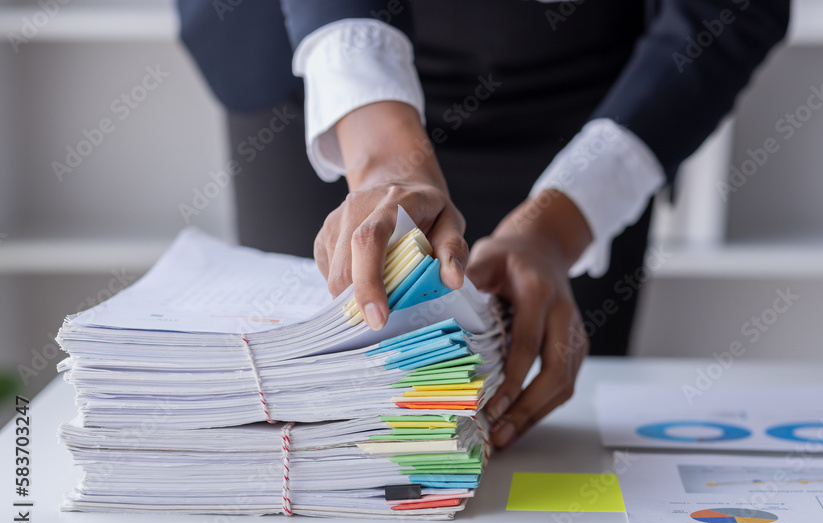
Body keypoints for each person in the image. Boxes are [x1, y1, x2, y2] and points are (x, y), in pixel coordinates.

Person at [178, 0, 790, 448]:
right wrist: (380, 154)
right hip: (314, 59)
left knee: (530, 436)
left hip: (588, 83)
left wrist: (561, 225)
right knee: (315, 427)